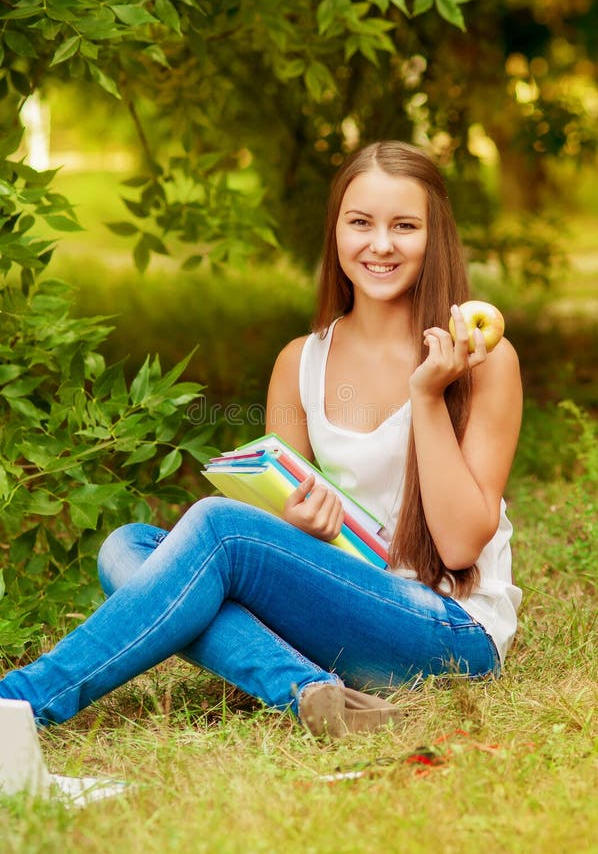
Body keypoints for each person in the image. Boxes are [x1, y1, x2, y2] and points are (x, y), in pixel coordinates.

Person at [0, 141, 523, 739]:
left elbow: (458, 546)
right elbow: (282, 510)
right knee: (127, 548)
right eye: (361, 223)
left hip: (450, 630)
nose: (380, 244)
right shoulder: (301, 362)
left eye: (404, 225)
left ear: (435, 237)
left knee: (221, 531)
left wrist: (428, 396)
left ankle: (22, 699)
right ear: (335, 233)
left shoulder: (485, 358)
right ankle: (309, 693)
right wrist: (300, 526)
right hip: (342, 602)